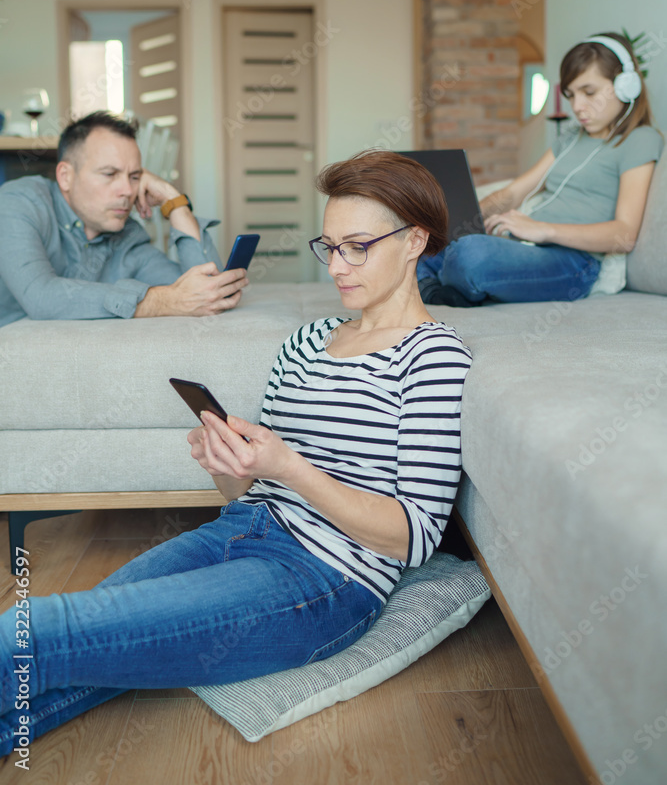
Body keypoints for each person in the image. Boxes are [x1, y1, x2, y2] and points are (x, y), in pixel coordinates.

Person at [0, 149, 472, 754]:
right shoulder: (305, 341)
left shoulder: (433, 356)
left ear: (414, 241)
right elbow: (248, 492)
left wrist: (289, 467)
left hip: (319, 578)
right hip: (238, 529)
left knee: (38, 631)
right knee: (77, 646)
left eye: (358, 245)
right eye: (328, 247)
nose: (338, 265)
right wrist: (229, 463)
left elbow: (413, 539)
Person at [418, 32, 664, 306]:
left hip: (574, 261)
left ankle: (429, 283)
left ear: (624, 86)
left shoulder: (641, 139)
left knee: (471, 254)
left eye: (589, 92)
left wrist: (543, 230)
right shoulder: (571, 138)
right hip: (524, 246)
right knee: (418, 238)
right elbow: (514, 193)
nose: (577, 107)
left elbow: (625, 234)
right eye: (571, 95)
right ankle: (441, 286)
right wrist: (455, 221)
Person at [0, 111, 248, 327]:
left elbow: (211, 291)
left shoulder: (127, 236)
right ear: (65, 176)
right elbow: (41, 297)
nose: (128, 191)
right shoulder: (18, 204)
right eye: (110, 173)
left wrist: (173, 202)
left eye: (135, 176)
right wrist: (165, 301)